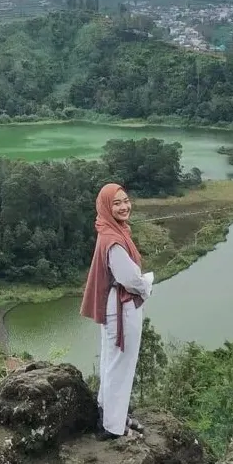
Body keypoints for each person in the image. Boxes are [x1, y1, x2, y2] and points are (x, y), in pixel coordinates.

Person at [80, 183, 154, 439]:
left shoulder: (110, 230)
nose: (124, 207)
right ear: (105, 207)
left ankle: (111, 415)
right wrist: (147, 284)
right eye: (117, 203)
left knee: (112, 362)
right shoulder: (113, 240)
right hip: (121, 308)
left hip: (113, 304)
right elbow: (129, 278)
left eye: (126, 201)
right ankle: (113, 426)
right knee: (120, 364)